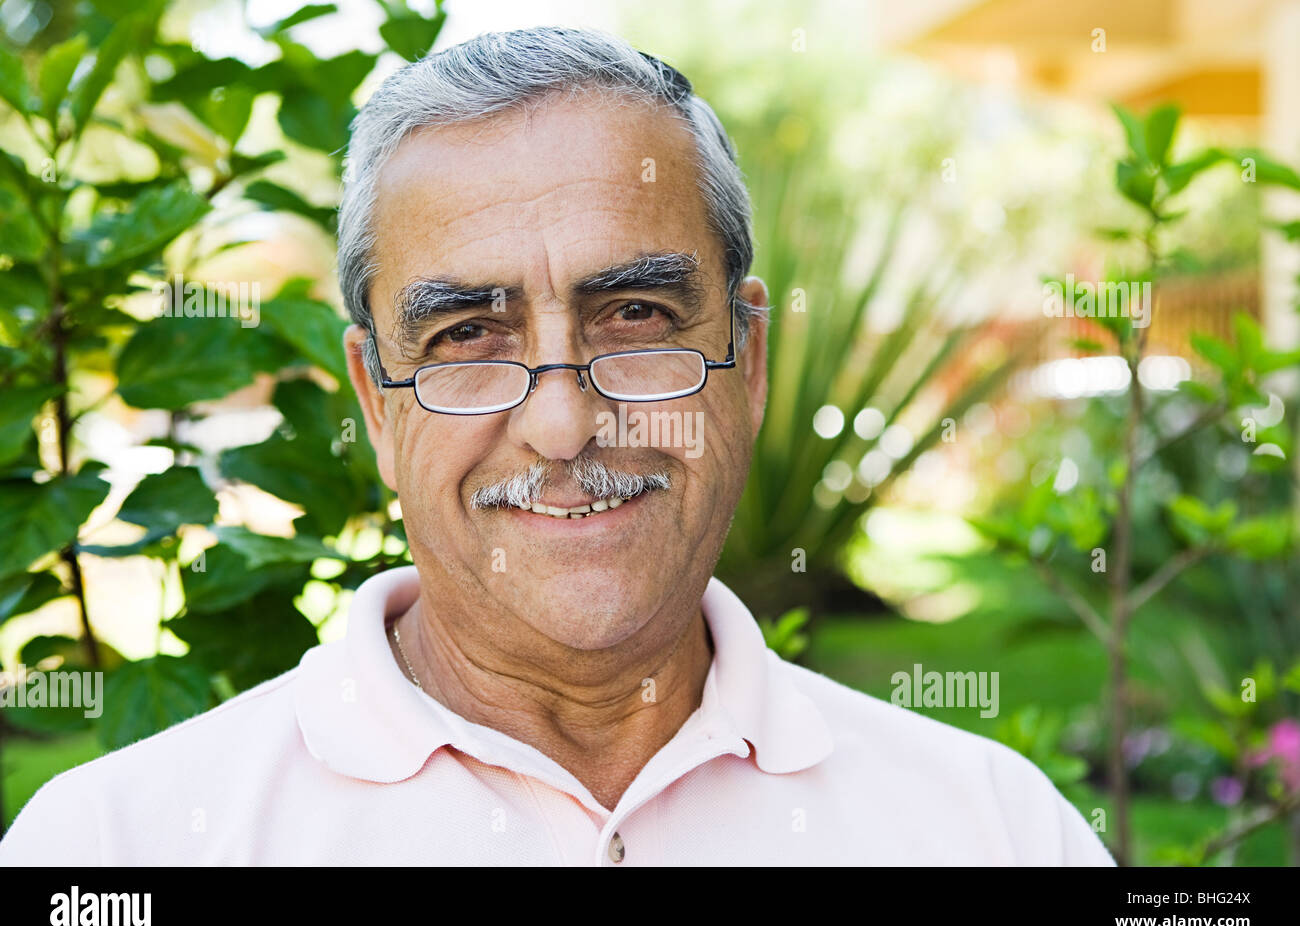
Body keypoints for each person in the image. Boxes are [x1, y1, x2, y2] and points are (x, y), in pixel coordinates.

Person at [0, 26, 1114, 865]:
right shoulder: (114, 850)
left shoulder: (994, 830)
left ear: (751, 359)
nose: (562, 422)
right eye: (465, 335)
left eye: (633, 316)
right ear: (376, 404)